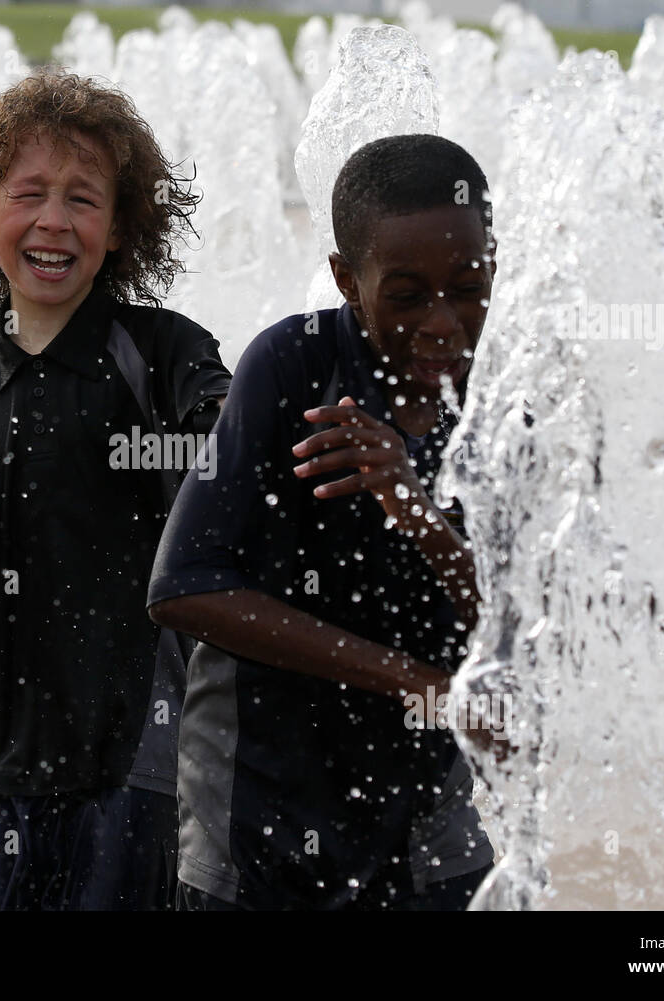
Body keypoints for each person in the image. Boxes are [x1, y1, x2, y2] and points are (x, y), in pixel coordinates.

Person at [0, 69, 230, 910]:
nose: (53, 220)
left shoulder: (157, 350)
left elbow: (229, 440)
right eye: (29, 194)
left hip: (138, 750)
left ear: (120, 227)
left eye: (83, 199)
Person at [148, 134, 501, 910]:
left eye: (468, 287)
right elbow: (183, 586)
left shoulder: (506, 403)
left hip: (426, 805)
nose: (443, 323)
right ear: (346, 278)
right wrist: (410, 678)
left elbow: (520, 630)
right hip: (260, 802)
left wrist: (421, 516)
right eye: (406, 295)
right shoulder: (292, 369)